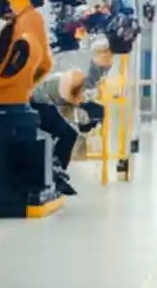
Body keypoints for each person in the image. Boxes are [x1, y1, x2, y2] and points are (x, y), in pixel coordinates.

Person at [30, 38, 112, 195]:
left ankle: (56, 171)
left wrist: (86, 118)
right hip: (38, 100)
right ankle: (56, 172)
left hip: (47, 100)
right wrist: (86, 110)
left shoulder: (91, 74)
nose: (107, 66)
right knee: (67, 133)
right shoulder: (83, 69)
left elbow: (73, 101)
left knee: (67, 132)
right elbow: (69, 94)